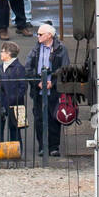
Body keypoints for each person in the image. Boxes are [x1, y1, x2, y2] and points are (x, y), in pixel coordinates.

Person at [30, 22, 68, 157]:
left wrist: (53, 82)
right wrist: (37, 82)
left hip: (54, 90)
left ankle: (54, 146)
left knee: (54, 118)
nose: (38, 36)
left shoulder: (61, 49)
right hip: (39, 90)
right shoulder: (35, 49)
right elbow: (29, 68)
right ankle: (42, 146)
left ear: (49, 35)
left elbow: (64, 69)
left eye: (40, 34)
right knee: (39, 118)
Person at [0, 41, 29, 149]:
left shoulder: (19, 68)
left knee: (14, 129)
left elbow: (23, 87)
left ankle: (16, 152)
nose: (0, 53)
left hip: (15, 104)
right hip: (1, 102)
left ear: (9, 53)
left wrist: (12, 99)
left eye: (2, 51)